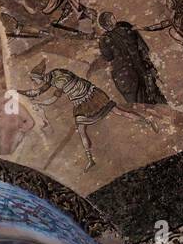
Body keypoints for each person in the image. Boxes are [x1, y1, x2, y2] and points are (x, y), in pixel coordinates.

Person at [20, 62, 153, 168]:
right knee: (82, 130)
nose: (33, 83)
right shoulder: (53, 75)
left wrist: (40, 103)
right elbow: (38, 91)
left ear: (39, 77)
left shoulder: (58, 80)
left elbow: (52, 99)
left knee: (117, 111)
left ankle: (146, 121)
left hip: (91, 96)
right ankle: (90, 159)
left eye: (33, 80)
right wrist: (21, 92)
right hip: (80, 102)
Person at [94, 12, 165, 104]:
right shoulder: (124, 27)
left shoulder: (104, 39)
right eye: (112, 18)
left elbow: (108, 57)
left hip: (128, 72)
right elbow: (143, 47)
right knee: (151, 92)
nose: (114, 19)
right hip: (136, 68)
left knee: (142, 98)